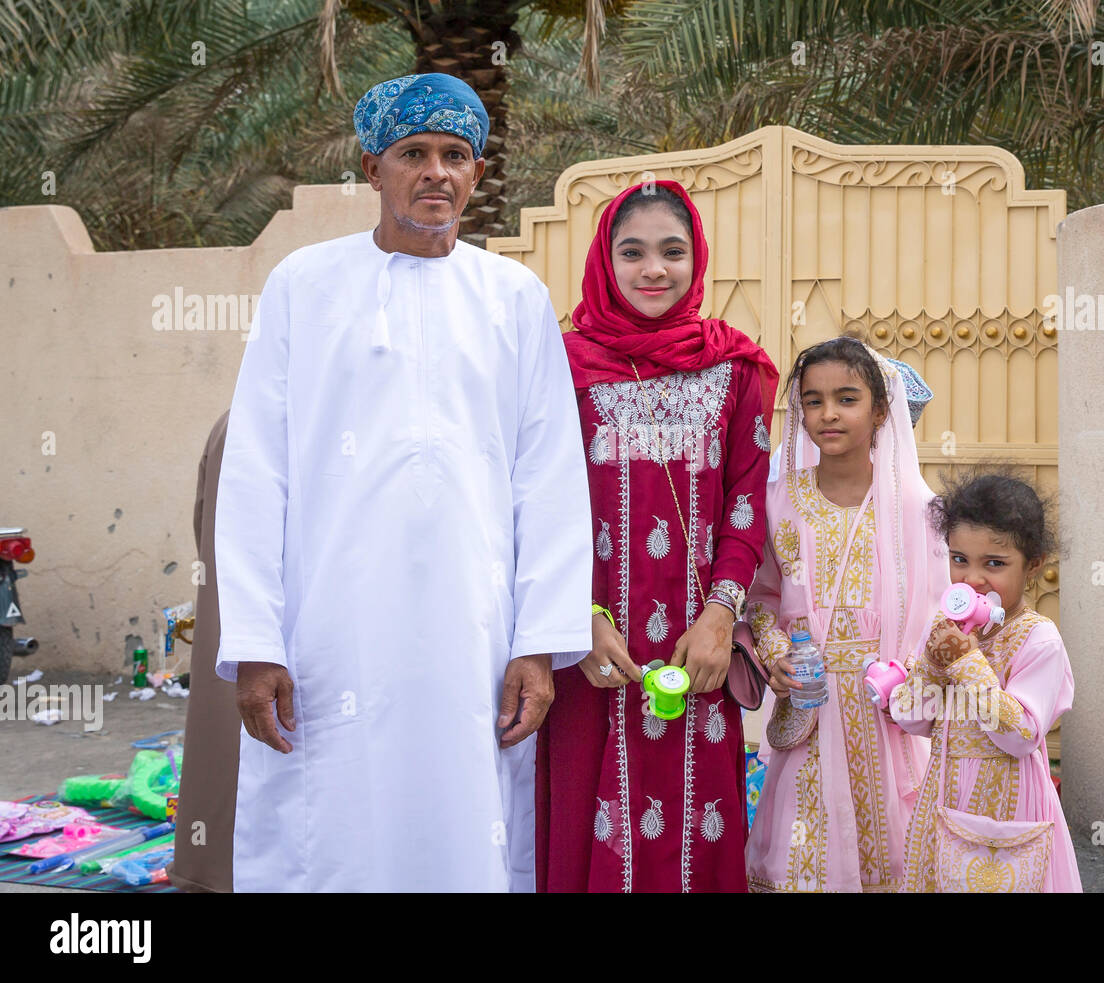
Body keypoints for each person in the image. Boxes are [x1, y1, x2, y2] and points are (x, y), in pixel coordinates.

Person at [214, 73, 593, 892]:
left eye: (455, 155)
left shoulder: (515, 298)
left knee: (468, 822)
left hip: (476, 633)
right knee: (335, 822)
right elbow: (255, 471)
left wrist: (538, 641)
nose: (436, 173)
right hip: (330, 631)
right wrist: (254, 641)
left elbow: (551, 477)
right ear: (372, 167)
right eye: (412, 153)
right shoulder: (303, 285)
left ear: (478, 174)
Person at [535, 180, 779, 892]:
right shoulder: (561, 367)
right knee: (588, 813)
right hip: (588, 651)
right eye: (633, 252)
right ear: (604, 262)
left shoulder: (736, 368)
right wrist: (572, 621)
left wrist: (720, 615)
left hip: (694, 648)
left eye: (673, 252)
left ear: (697, 258)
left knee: (701, 823)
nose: (654, 270)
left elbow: (746, 502)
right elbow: (534, 503)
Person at [744, 338, 950, 892]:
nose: (828, 414)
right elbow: (760, 596)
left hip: (886, 714)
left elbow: (937, 614)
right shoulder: (778, 500)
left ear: (881, 409)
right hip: (809, 706)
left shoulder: (916, 508)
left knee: (891, 851)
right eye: (812, 401)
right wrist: (776, 654)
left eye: (847, 398)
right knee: (802, 856)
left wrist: (909, 680)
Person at [890, 473, 1082, 892]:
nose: (972, 579)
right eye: (959, 559)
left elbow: (1020, 734)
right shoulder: (944, 627)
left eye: (994, 564)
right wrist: (932, 664)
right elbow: (910, 716)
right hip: (943, 797)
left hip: (1009, 807)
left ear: (1034, 564)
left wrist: (965, 662)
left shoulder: (1039, 638)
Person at [169, 410, 240, 893]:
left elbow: (202, 520)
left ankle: (206, 870)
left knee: (221, 742)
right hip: (271, 626)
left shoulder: (230, 418)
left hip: (226, 609)